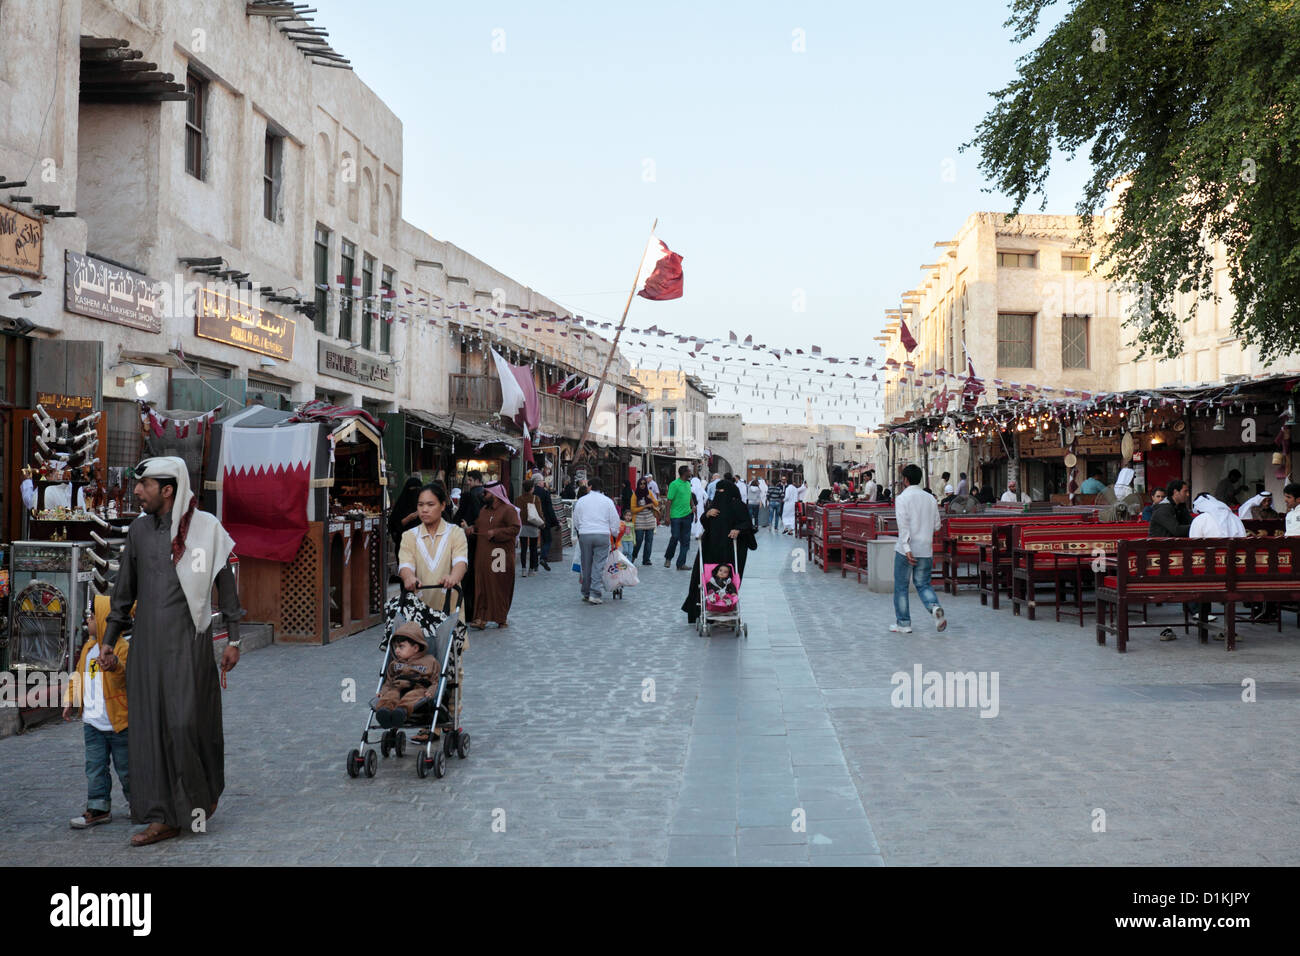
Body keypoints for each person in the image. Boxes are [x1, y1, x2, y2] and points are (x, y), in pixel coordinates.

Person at [103, 457, 241, 847]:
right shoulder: (139, 532)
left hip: (189, 645)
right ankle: (162, 816)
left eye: (143, 485)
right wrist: (110, 640)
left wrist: (234, 638)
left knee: (184, 724)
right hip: (146, 646)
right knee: (148, 730)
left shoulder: (206, 529)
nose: (136, 491)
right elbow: (123, 593)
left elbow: (225, 587)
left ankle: (199, 798)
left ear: (168, 489)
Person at [64, 595, 131, 830]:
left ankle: (141, 804)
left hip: (120, 724)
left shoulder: (122, 648)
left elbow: (125, 677)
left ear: (105, 620)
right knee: (94, 768)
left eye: (92, 617)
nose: (88, 622)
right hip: (92, 724)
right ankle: (98, 808)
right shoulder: (89, 649)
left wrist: (115, 666)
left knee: (128, 769)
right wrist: (71, 699)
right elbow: (78, 675)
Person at [682, 478, 755, 624]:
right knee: (704, 577)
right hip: (711, 548)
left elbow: (747, 523)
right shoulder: (714, 505)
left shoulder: (738, 505)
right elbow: (706, 522)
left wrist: (738, 530)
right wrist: (707, 515)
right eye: (717, 492)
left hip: (731, 549)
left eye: (722, 492)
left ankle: (726, 606)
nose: (719, 494)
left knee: (729, 579)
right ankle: (703, 607)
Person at [890, 464, 946, 633]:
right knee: (923, 584)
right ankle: (934, 607)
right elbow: (937, 525)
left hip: (906, 549)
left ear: (905, 480)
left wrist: (906, 548)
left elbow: (903, 525)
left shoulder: (902, 498)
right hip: (925, 549)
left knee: (901, 586)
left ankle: (904, 624)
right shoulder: (930, 498)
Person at [397, 482, 470, 607]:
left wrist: (453, 577)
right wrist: (408, 577)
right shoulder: (409, 536)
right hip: (418, 610)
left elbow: (461, 562)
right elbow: (405, 564)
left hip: (450, 608)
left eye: (430, 504)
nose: (424, 510)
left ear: (442, 506)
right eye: (420, 505)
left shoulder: (455, 533)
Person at [466, 482, 520, 629]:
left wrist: (496, 533)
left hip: (500, 555)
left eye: (486, 493)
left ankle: (501, 617)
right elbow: (479, 525)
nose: (483, 496)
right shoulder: (483, 510)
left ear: (495, 495)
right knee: (481, 585)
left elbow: (515, 528)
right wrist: (471, 528)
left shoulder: (508, 510)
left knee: (499, 585)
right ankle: (481, 618)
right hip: (482, 554)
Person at [372, 622, 439, 729]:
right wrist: (383, 691)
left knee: (411, 697)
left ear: (415, 648)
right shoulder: (395, 664)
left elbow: (435, 680)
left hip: (419, 688)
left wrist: (431, 690)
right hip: (397, 686)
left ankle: (401, 713)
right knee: (391, 696)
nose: (397, 650)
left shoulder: (430, 661)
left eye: (401, 646)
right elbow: (389, 681)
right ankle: (384, 712)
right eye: (395, 647)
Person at [573, 477, 620, 604]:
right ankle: (595, 593)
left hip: (585, 534)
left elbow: (576, 519)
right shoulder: (607, 501)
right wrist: (615, 534)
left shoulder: (581, 501)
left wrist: (580, 530)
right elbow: (615, 520)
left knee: (586, 564)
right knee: (598, 565)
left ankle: (586, 592)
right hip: (602, 534)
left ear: (590, 487)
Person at [453, 471, 487, 622]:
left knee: (467, 577)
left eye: (470, 480)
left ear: (478, 481)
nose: (468, 483)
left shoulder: (471, 496)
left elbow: (463, 518)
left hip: (469, 543)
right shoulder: (484, 496)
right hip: (479, 544)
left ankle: (467, 610)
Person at [663, 465, 694, 569]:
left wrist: (693, 506)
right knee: (675, 537)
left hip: (687, 515)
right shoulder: (674, 484)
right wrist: (667, 516)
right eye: (689, 471)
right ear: (685, 473)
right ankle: (668, 558)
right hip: (676, 516)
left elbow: (689, 496)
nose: (691, 472)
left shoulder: (688, 484)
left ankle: (681, 564)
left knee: (686, 541)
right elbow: (669, 501)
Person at [388, 475, 424, 563]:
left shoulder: (424, 505)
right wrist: (409, 518)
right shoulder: (401, 506)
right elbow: (394, 526)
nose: (416, 493)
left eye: (418, 490)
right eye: (413, 489)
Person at [629, 477, 660, 566]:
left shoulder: (649, 492)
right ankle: (633, 556)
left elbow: (656, 503)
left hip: (649, 520)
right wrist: (645, 506)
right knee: (638, 540)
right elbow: (633, 509)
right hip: (639, 521)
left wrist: (651, 498)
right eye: (641, 484)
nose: (642, 485)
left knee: (649, 540)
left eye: (644, 484)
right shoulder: (635, 495)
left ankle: (646, 559)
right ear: (638, 485)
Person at [516, 481, 543, 577]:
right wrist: (542, 524)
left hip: (522, 525)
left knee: (523, 548)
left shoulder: (518, 499)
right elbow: (539, 513)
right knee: (533, 548)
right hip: (533, 525)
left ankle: (523, 569)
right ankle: (531, 570)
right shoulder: (536, 499)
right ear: (532, 488)